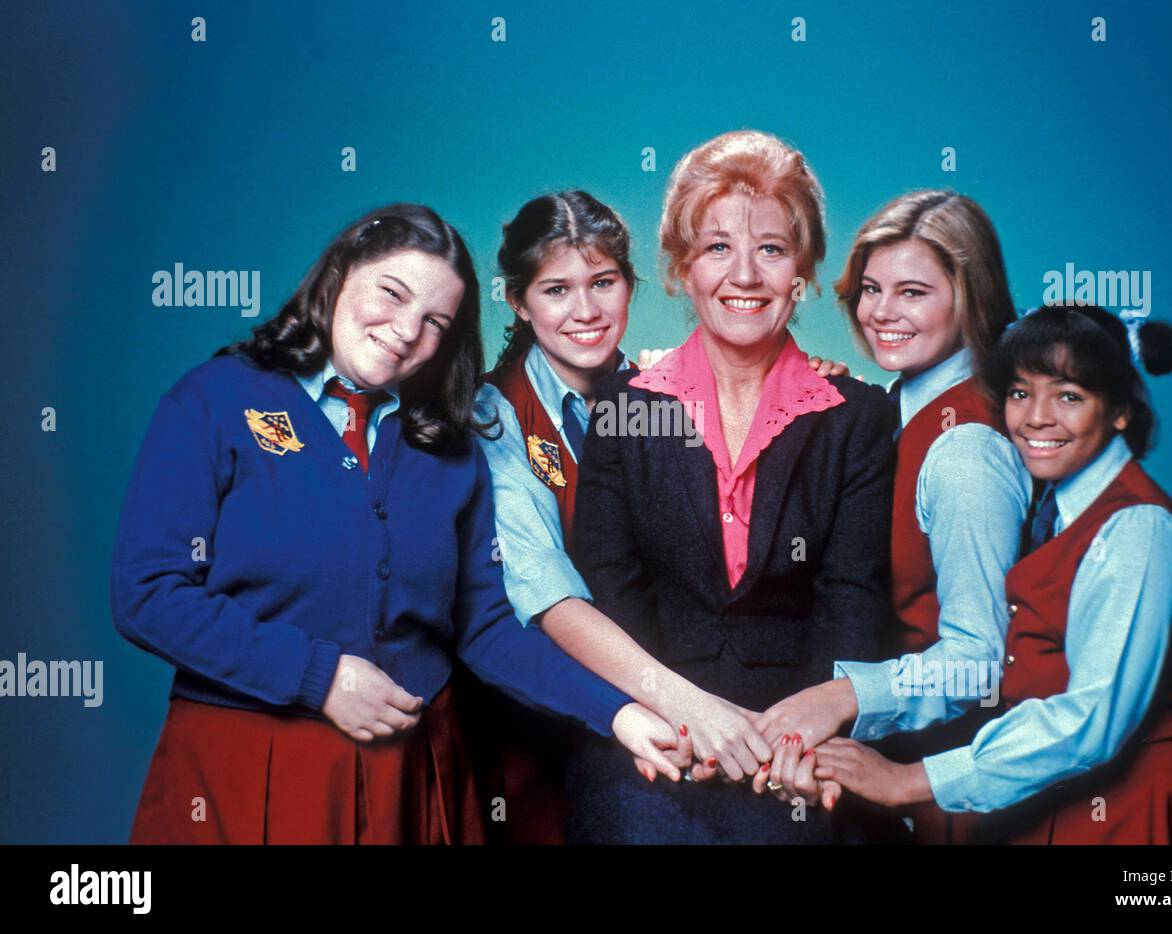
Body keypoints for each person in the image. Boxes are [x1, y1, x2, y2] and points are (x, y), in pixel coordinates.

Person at [112, 203, 682, 844]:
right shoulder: (215, 400)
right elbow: (148, 593)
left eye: (436, 321)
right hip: (249, 765)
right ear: (341, 271)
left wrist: (619, 713)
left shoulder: (445, 442)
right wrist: (317, 677)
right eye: (392, 293)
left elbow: (487, 628)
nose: (407, 330)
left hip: (411, 777)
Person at [565, 130, 902, 843]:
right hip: (658, 727)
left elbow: (854, 597)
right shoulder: (622, 410)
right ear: (682, 270)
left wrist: (796, 739)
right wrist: (678, 719)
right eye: (717, 248)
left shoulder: (859, 417)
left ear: (802, 271)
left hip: (799, 739)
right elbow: (610, 586)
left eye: (772, 250)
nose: (745, 275)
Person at [803, 304, 1172, 844]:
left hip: (1133, 822)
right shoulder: (1051, 509)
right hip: (1043, 813)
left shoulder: (1138, 531)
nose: (1036, 417)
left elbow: (1089, 721)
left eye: (1069, 396)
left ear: (1121, 408)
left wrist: (908, 779)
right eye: (1020, 392)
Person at [468, 191, 770, 841]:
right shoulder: (495, 420)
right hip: (551, 725)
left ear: (629, 286)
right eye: (556, 290)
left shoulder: (672, 396)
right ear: (519, 302)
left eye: (603, 282)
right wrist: (682, 704)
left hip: (687, 720)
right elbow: (545, 594)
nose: (585, 311)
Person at [753, 191, 1030, 844]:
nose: (882, 313)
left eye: (913, 292)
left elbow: (981, 661)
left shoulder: (967, 449)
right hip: (893, 757)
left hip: (953, 779)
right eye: (871, 289)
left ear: (971, 296)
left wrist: (844, 696)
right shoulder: (891, 404)